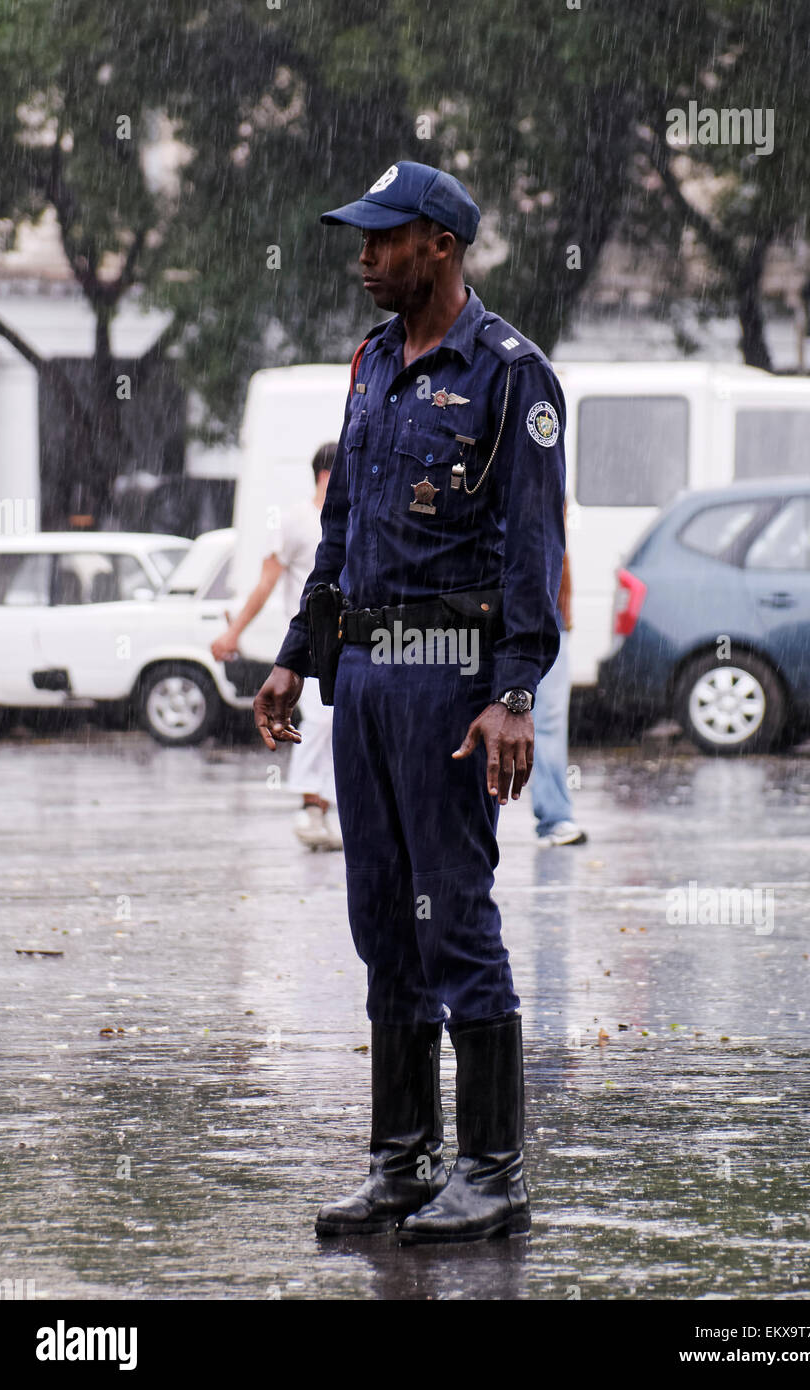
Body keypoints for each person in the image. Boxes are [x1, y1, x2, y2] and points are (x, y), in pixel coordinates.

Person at [253, 161, 566, 1244]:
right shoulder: (373, 364)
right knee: (383, 923)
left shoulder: (507, 373)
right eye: (360, 239)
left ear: (437, 242)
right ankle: (402, 1162)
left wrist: (513, 690)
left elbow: (530, 546)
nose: (363, 257)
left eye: (382, 240)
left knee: (454, 921)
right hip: (366, 680)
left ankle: (492, 1170)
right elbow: (339, 529)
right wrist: (296, 651)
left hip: (450, 680)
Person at [212, 443, 342, 850]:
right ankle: (308, 807)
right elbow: (267, 583)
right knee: (321, 723)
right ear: (327, 475)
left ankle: (322, 810)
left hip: (350, 643)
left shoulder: (351, 519)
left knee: (342, 726)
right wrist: (234, 634)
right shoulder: (296, 521)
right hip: (307, 650)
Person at [530, 543, 587, 846]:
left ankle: (555, 817)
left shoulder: (553, 495)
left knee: (549, 721)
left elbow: (559, 548)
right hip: (498, 613)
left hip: (550, 619)